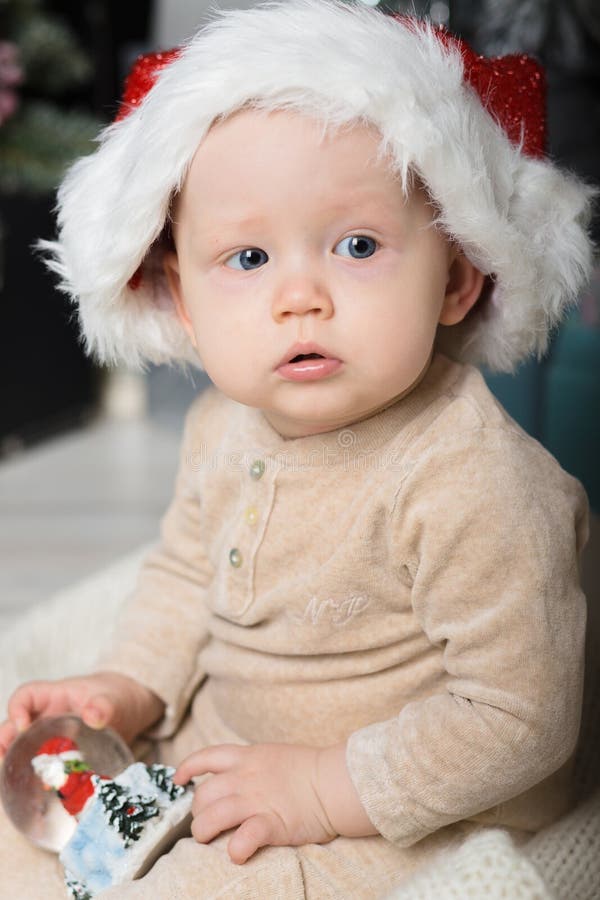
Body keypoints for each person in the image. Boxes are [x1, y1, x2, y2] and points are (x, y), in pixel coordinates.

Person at [0, 0, 595, 896]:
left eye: (357, 245)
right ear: (183, 303)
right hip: (231, 749)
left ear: (457, 278)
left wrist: (322, 788)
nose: (299, 297)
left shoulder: (478, 481)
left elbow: (522, 719)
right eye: (248, 259)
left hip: (402, 806)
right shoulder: (221, 426)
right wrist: (128, 688)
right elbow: (185, 575)